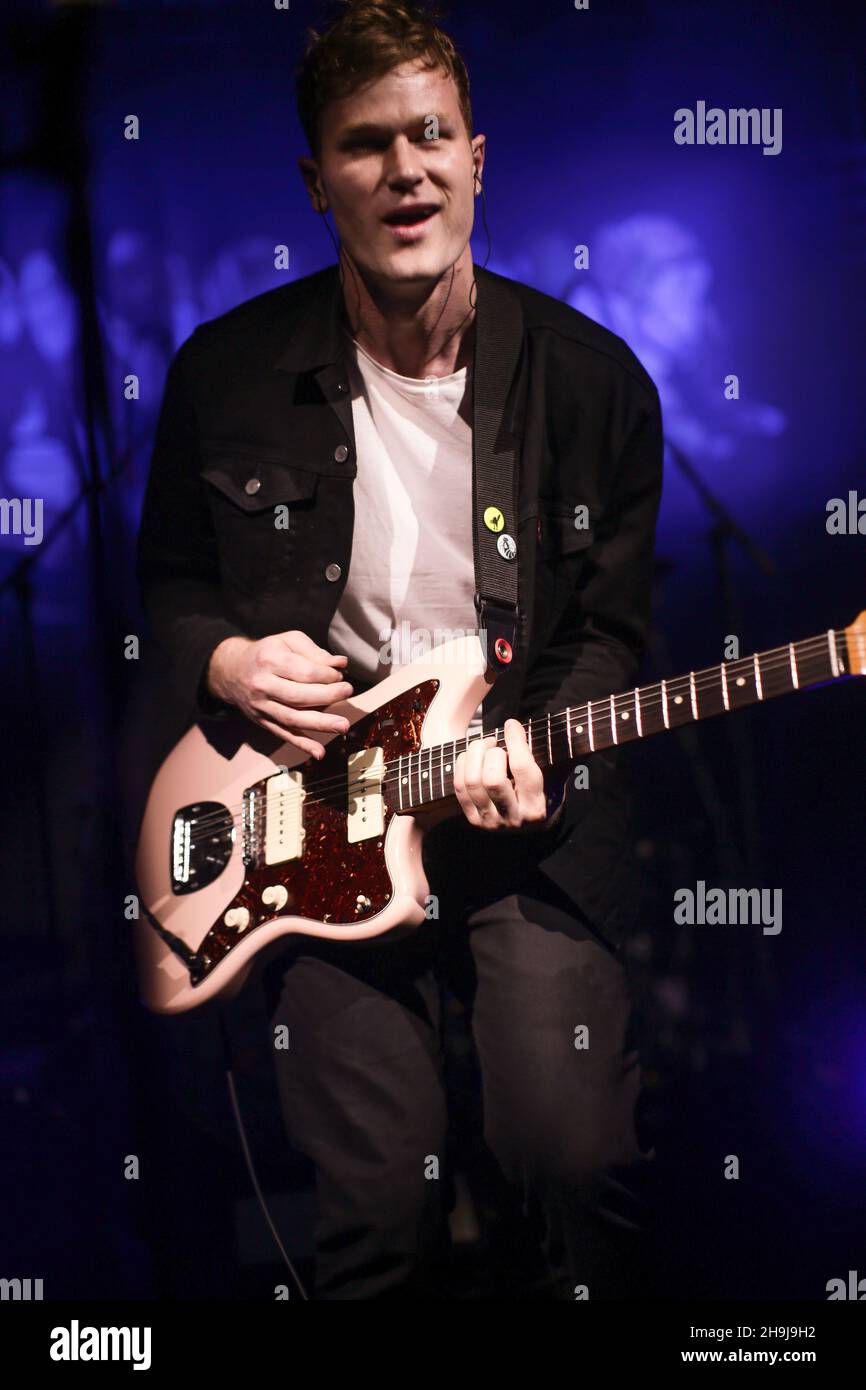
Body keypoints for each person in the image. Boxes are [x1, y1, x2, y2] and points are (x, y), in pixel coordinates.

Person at [136, 0, 664, 1300]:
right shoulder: (224, 372)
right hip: (315, 828)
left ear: (478, 156)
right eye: (366, 146)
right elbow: (169, 583)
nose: (405, 169)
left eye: (430, 135)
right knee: (373, 1212)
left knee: (568, 1155)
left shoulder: (592, 383)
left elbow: (605, 628)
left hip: (517, 826)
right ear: (317, 182)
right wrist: (222, 664)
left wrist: (532, 747)